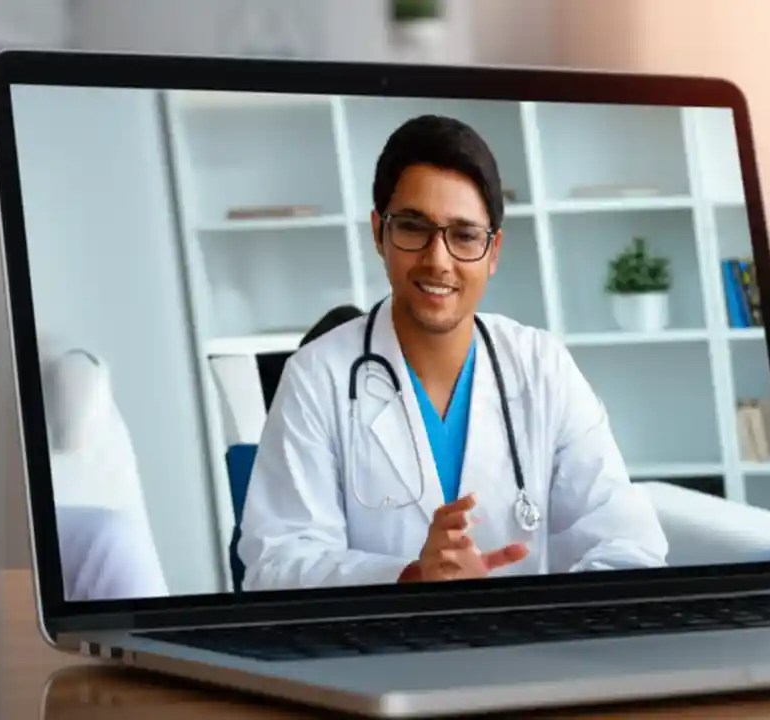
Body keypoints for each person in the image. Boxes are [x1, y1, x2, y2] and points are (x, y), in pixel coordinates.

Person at [238, 115, 668, 590]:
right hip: (382, 652)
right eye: (413, 228)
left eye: (464, 236)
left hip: (526, 649)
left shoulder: (543, 367)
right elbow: (274, 566)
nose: (438, 260)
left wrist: (534, 617)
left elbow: (629, 544)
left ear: (494, 250)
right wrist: (408, 578)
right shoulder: (316, 378)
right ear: (379, 232)